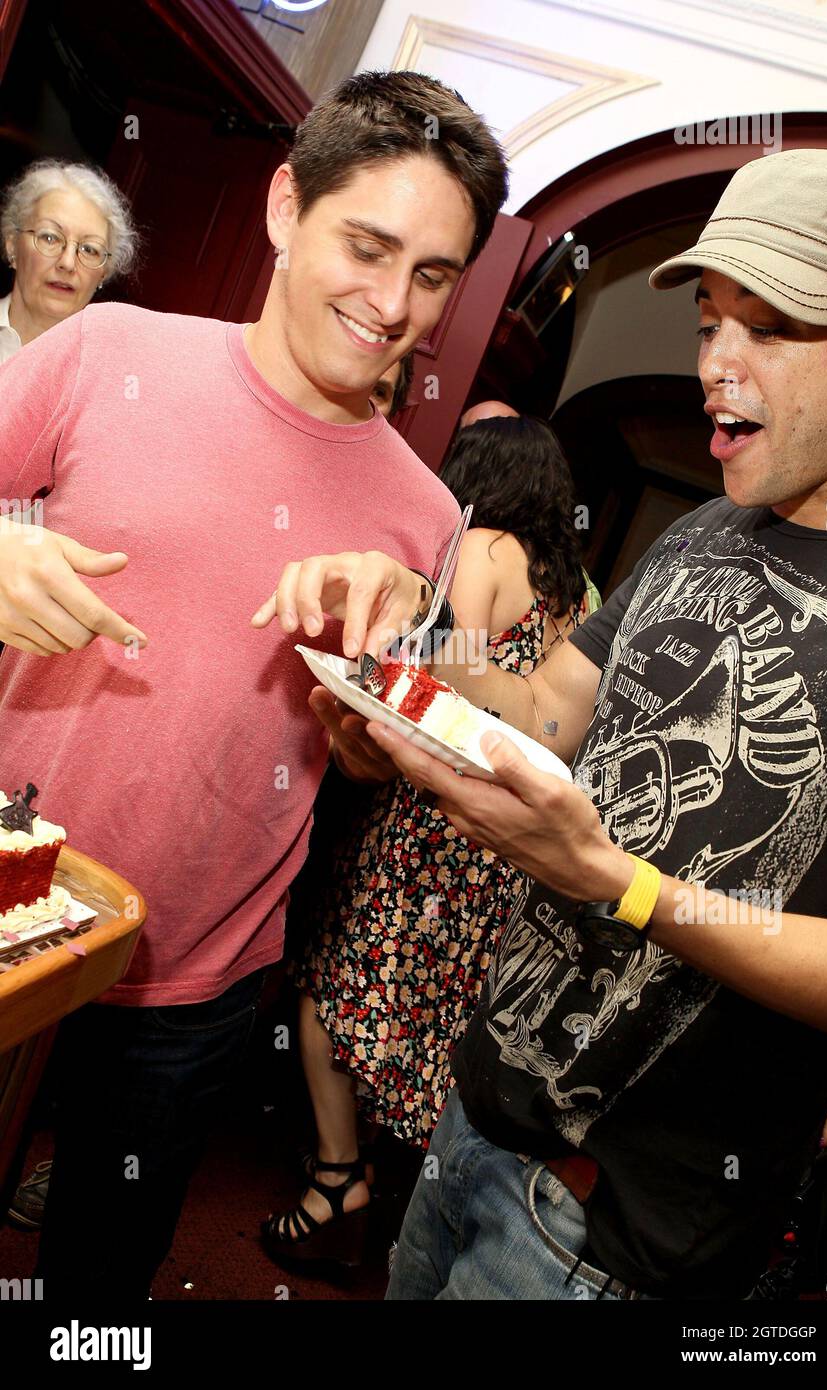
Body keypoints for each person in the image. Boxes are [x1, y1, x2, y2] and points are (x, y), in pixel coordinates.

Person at [269, 147, 827, 1300]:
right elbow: (543, 701)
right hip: (472, 1123)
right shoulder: (699, 536)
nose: (715, 367)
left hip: (610, 1239)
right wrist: (417, 630)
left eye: (771, 327)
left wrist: (619, 883)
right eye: (706, 323)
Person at [0, 70, 508, 1298]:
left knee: (101, 1278)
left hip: (198, 963)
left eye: (432, 274)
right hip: (10, 903)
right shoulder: (105, 350)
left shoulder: (424, 513)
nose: (393, 307)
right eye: (368, 246)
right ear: (285, 207)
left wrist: (375, 707)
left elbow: (369, 758)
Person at [263, 416, 600, 1266]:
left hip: (434, 825)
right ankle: (410, 1196)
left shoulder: (482, 549)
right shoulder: (583, 594)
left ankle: (339, 1182)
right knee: (441, 1013)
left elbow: (438, 678)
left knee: (333, 985)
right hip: (509, 844)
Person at [0, 159, 137, 364]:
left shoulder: (108, 372)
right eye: (50, 238)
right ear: (13, 246)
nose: (68, 263)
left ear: (104, 272)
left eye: (89, 249)